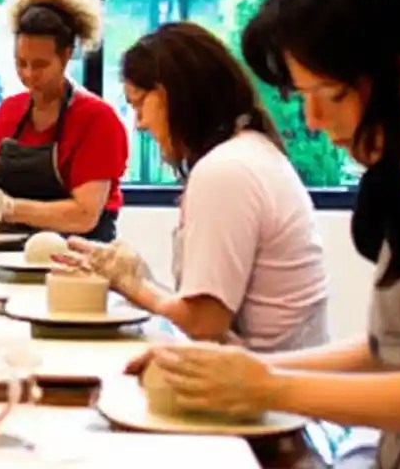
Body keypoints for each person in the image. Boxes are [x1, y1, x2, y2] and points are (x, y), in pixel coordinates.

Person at [144, 0, 400, 466]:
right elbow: (389, 353)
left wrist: (270, 389)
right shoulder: (399, 179)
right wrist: (242, 371)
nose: (315, 121)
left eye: (333, 95)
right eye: (302, 97)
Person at [62, 22, 328, 351]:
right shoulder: (249, 151)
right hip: (267, 378)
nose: (140, 123)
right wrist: (139, 276)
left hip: (265, 391)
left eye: (139, 104)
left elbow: (204, 321)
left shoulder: (225, 171)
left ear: (173, 94)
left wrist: (131, 284)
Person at [0, 0, 128, 242]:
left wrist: (10, 208)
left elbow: (83, 215)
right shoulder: (9, 111)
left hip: (76, 258)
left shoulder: (97, 119)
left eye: (39, 65)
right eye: (21, 62)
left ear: (66, 55)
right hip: (6, 250)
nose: (28, 75)